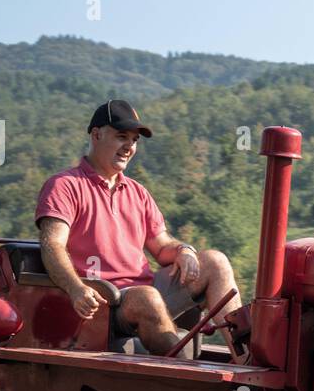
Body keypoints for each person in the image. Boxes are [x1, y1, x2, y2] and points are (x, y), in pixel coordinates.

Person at [34, 99, 241, 355]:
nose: (129, 147)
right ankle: (185, 378)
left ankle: (244, 357)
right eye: (122, 137)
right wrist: (76, 289)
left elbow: (163, 245)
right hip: (104, 302)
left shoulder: (137, 193)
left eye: (134, 141)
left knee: (215, 262)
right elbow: (52, 245)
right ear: (96, 135)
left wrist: (184, 251)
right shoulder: (65, 186)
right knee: (147, 297)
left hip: (145, 292)